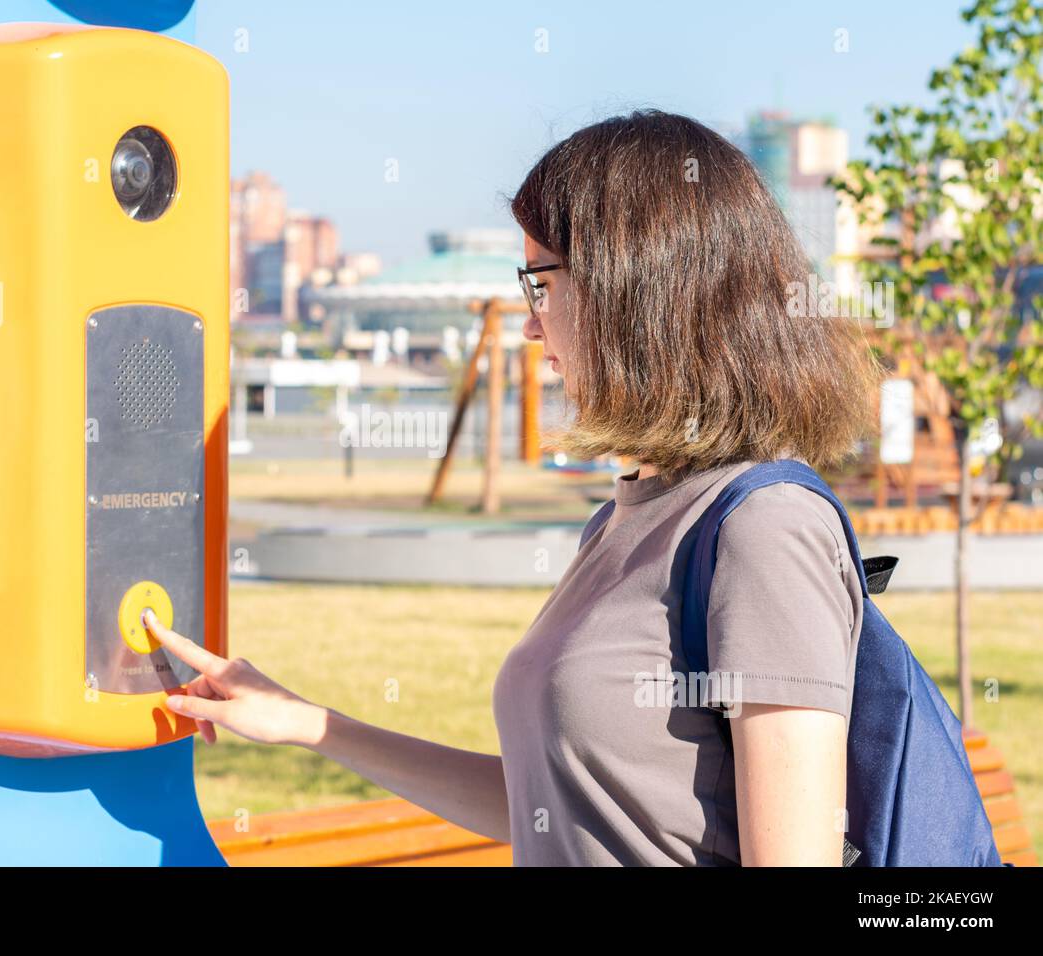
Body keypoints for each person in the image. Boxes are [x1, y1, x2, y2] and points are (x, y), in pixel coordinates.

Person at [144, 109, 886, 866]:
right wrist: (307, 723)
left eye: (540, 282)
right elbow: (549, 802)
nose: (531, 326)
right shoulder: (624, 520)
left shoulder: (766, 529)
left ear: (639, 290)